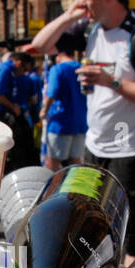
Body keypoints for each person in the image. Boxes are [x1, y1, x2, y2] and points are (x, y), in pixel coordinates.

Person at [31, 0, 135, 261]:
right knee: (96, 230)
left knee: (133, 239)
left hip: (132, 152)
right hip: (95, 149)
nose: (82, 3)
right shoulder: (89, 30)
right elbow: (40, 45)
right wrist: (70, 15)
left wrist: (111, 81)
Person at [40, 41, 87, 171]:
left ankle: (53, 189)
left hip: (60, 121)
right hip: (80, 121)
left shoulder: (58, 69)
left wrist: (44, 111)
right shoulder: (82, 68)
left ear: (58, 55)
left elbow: (52, 93)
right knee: (76, 161)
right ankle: (75, 190)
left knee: (53, 161)